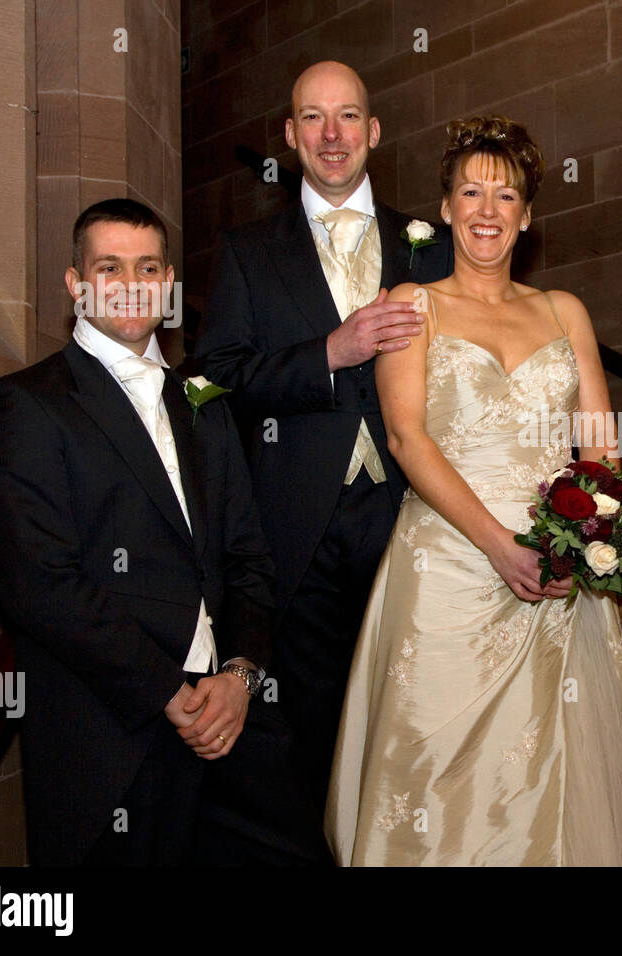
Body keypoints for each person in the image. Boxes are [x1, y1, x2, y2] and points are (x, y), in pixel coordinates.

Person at [324, 116, 622, 866]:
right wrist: (499, 546)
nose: (486, 209)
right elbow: (408, 438)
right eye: (470, 192)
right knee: (436, 770)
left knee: (551, 783)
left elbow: (600, 443)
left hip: (557, 573)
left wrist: (596, 541)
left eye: (505, 195)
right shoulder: (413, 304)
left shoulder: (563, 311)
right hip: (448, 567)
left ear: (528, 215)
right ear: (444, 208)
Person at [0, 199, 274, 865]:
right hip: (106, 732)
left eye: (145, 267)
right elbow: (38, 584)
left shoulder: (204, 403)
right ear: (76, 284)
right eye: (110, 268)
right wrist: (169, 692)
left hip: (228, 731)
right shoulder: (25, 404)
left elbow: (249, 558)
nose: (131, 284)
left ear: (167, 283)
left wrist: (239, 677)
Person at [194, 60, 454, 806]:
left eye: (347, 117)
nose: (331, 135)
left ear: (373, 132)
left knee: (416, 721)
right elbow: (214, 381)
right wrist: (328, 356)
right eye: (313, 117)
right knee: (310, 745)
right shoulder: (247, 251)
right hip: (296, 527)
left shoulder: (433, 246)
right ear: (289, 134)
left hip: (414, 513)